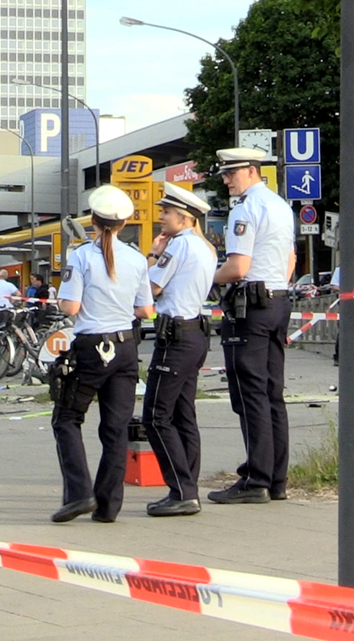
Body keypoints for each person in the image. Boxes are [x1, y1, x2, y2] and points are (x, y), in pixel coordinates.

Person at [49, 185, 155, 523]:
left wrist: (59, 299)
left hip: (91, 346)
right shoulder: (137, 259)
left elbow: (71, 306)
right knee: (115, 427)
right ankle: (109, 506)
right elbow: (146, 311)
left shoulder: (80, 256)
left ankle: (80, 494)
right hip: (125, 348)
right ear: (124, 224)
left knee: (67, 418)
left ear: (93, 220)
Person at [209, 148, 296, 505]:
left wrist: (204, 279)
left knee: (250, 393)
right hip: (277, 299)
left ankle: (255, 480)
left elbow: (238, 268)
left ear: (250, 170)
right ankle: (276, 479)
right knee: (273, 393)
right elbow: (290, 259)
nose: (227, 180)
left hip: (251, 306)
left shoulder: (245, 209)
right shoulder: (279, 205)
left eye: (231, 173)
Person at [140, 184, 218, 517]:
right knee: (184, 414)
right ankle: (189, 487)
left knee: (156, 416)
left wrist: (153, 255)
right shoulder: (206, 247)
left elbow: (148, 288)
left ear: (184, 218)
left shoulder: (180, 246)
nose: (160, 218)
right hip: (195, 333)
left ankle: (181, 491)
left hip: (175, 337)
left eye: (166, 213)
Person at [329, 266, 341, 365]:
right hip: (344, 302)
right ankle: (338, 357)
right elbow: (333, 286)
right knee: (342, 329)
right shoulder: (340, 269)